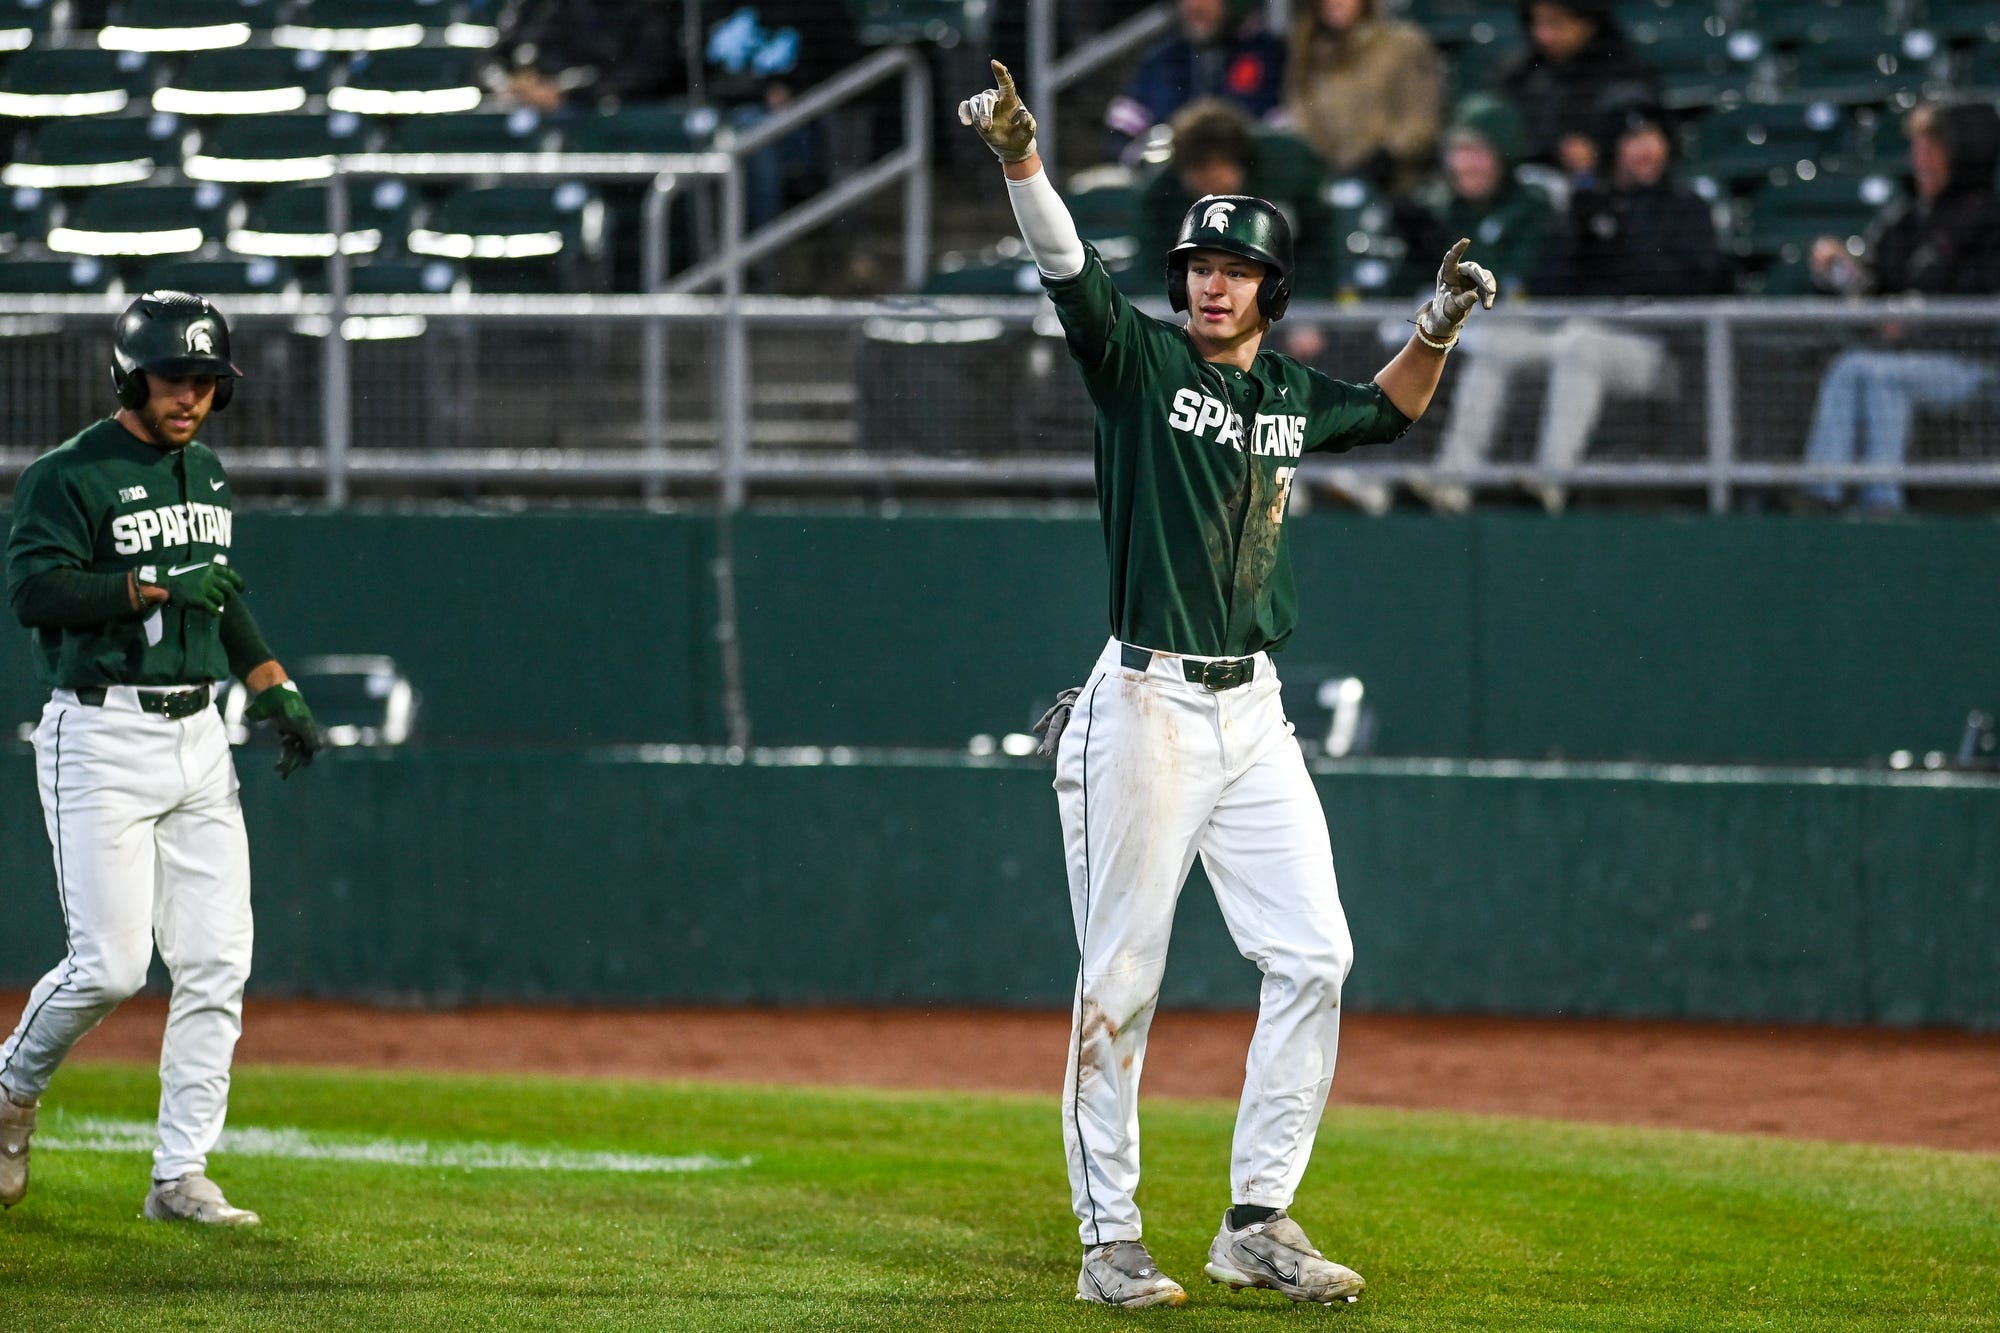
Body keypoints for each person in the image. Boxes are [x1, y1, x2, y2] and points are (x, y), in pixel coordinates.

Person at [960, 61, 1493, 1309]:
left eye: (1235, 270)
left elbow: (1392, 414)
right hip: (1141, 703)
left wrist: (1439, 325)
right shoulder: (1138, 367)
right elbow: (1063, 272)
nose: (1210, 282)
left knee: (1314, 952)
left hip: (1252, 710)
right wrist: (1021, 162)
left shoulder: (1286, 394)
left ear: (1268, 289)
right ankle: (1109, 1241)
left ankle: (1256, 1220)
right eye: (1200, 265)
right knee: (1123, 977)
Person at [0, 292, 324, 1224]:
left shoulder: (207, 473)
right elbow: (32, 589)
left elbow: (215, 598)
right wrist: (147, 583)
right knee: (107, 965)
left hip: (198, 737)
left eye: (207, 381)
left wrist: (269, 682)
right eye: (175, 377)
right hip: (100, 733)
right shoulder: (68, 474)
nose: (191, 396)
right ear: (130, 374)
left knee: (218, 960)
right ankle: (13, 1090)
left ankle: (180, 1173)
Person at [1430, 108, 1722, 513]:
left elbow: (1697, 284)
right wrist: (1581, 230)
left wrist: (1618, 235)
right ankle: (1453, 480)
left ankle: (1550, 481)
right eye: (1632, 140)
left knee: (1584, 342)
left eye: (1653, 138)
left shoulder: (1686, 206)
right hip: (1576, 337)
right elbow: (1548, 284)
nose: (1645, 149)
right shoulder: (1590, 204)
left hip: (1660, 353)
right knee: (1499, 343)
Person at [1799, 99, 2000, 513]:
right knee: (1854, 368)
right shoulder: (1910, 220)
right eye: (1919, 148)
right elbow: (1875, 285)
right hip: (1906, 362)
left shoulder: (1990, 218)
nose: (1919, 160)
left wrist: (1918, 316)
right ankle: (1830, 496)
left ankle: (1870, 501)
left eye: (1933, 149)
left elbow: (1980, 297)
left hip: (1974, 364)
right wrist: (1839, 271)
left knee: (1871, 372)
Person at [1393, 94, 1556, 512]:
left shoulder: (1534, 207)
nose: (1464, 164)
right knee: (1390, 337)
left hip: (1532, 334)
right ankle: (1369, 475)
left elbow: (1519, 286)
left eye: (1477, 152)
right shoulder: (1440, 207)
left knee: (1490, 350)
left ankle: (1454, 480)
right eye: (1457, 152)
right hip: (1455, 336)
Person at [1282, 0, 1444, 197]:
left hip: (1395, 185)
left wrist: (1387, 156)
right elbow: (1301, 113)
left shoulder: (1402, 45)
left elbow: (1419, 119)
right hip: (1328, 183)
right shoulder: (1307, 51)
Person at [1106, 0, 1287, 164]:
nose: (1195, 5)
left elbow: (1286, 136)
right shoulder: (1164, 57)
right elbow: (1123, 131)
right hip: (1172, 189)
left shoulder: (1272, 55)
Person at [1492, 0, 1658, 178]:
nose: (1542, 35)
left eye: (1555, 23)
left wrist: (1598, 154)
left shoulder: (1625, 71)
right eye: (1536, 22)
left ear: (1588, 24)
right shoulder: (1520, 73)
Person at [488, 0, 684, 115]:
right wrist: (507, 84)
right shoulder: (537, 6)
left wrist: (568, 92)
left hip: (599, 112)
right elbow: (490, 59)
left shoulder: (643, 7)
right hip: (522, 107)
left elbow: (652, 68)